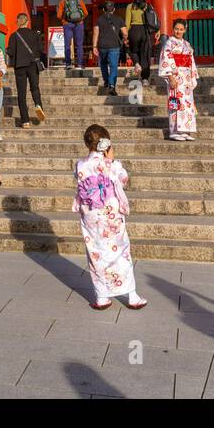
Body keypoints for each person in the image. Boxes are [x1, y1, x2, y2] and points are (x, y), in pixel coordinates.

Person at [73, 124, 147, 310]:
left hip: (91, 213)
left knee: (95, 252)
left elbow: (80, 180)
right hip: (111, 213)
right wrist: (112, 160)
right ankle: (131, 295)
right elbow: (124, 179)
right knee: (121, 251)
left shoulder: (80, 165)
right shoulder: (112, 165)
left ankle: (102, 297)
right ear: (106, 144)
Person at [158, 19, 199, 141]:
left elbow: (191, 61)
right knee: (175, 103)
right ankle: (174, 131)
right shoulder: (169, 43)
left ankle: (185, 130)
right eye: (176, 29)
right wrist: (170, 77)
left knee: (186, 104)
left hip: (186, 78)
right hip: (175, 76)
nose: (178, 31)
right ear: (173, 29)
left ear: (185, 30)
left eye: (181, 29)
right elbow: (166, 59)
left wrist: (192, 77)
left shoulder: (187, 44)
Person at [6, 12, 47, 128]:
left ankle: (25, 121)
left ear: (17, 22)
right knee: (34, 88)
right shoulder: (35, 34)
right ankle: (38, 105)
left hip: (19, 66)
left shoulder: (14, 36)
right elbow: (40, 49)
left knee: (21, 93)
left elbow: (10, 52)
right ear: (27, 22)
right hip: (33, 64)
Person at [93, 2, 128, 95]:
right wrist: (124, 40)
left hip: (102, 46)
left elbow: (96, 33)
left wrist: (94, 46)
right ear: (114, 9)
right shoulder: (119, 19)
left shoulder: (99, 20)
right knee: (113, 66)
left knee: (103, 64)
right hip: (114, 46)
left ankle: (106, 81)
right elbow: (125, 33)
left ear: (103, 10)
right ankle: (112, 85)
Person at [125, 0, 157, 82]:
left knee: (133, 51)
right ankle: (145, 78)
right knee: (145, 54)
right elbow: (154, 20)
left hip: (134, 30)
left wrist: (126, 36)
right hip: (145, 31)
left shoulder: (130, 6)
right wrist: (157, 31)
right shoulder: (148, 6)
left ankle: (137, 64)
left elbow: (127, 23)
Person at [56, 0, 89, 68]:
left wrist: (65, 19)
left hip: (67, 24)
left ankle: (68, 64)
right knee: (79, 45)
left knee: (67, 44)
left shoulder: (62, 2)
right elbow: (86, 13)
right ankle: (80, 64)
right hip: (79, 24)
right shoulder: (79, 0)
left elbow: (59, 16)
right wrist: (80, 19)